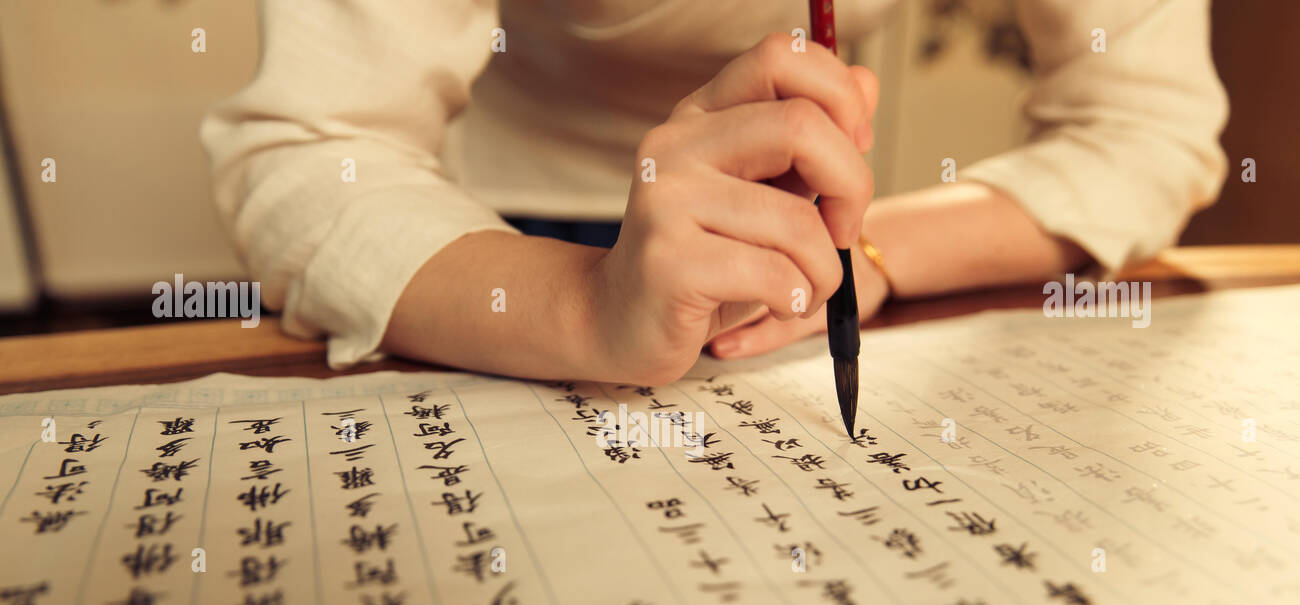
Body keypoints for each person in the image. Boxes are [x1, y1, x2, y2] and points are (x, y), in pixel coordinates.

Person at [201, 0, 1226, 384]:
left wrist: (870, 259)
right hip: (492, 244)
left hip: (799, 258)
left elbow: (1142, 124)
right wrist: (581, 305)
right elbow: (312, 146)